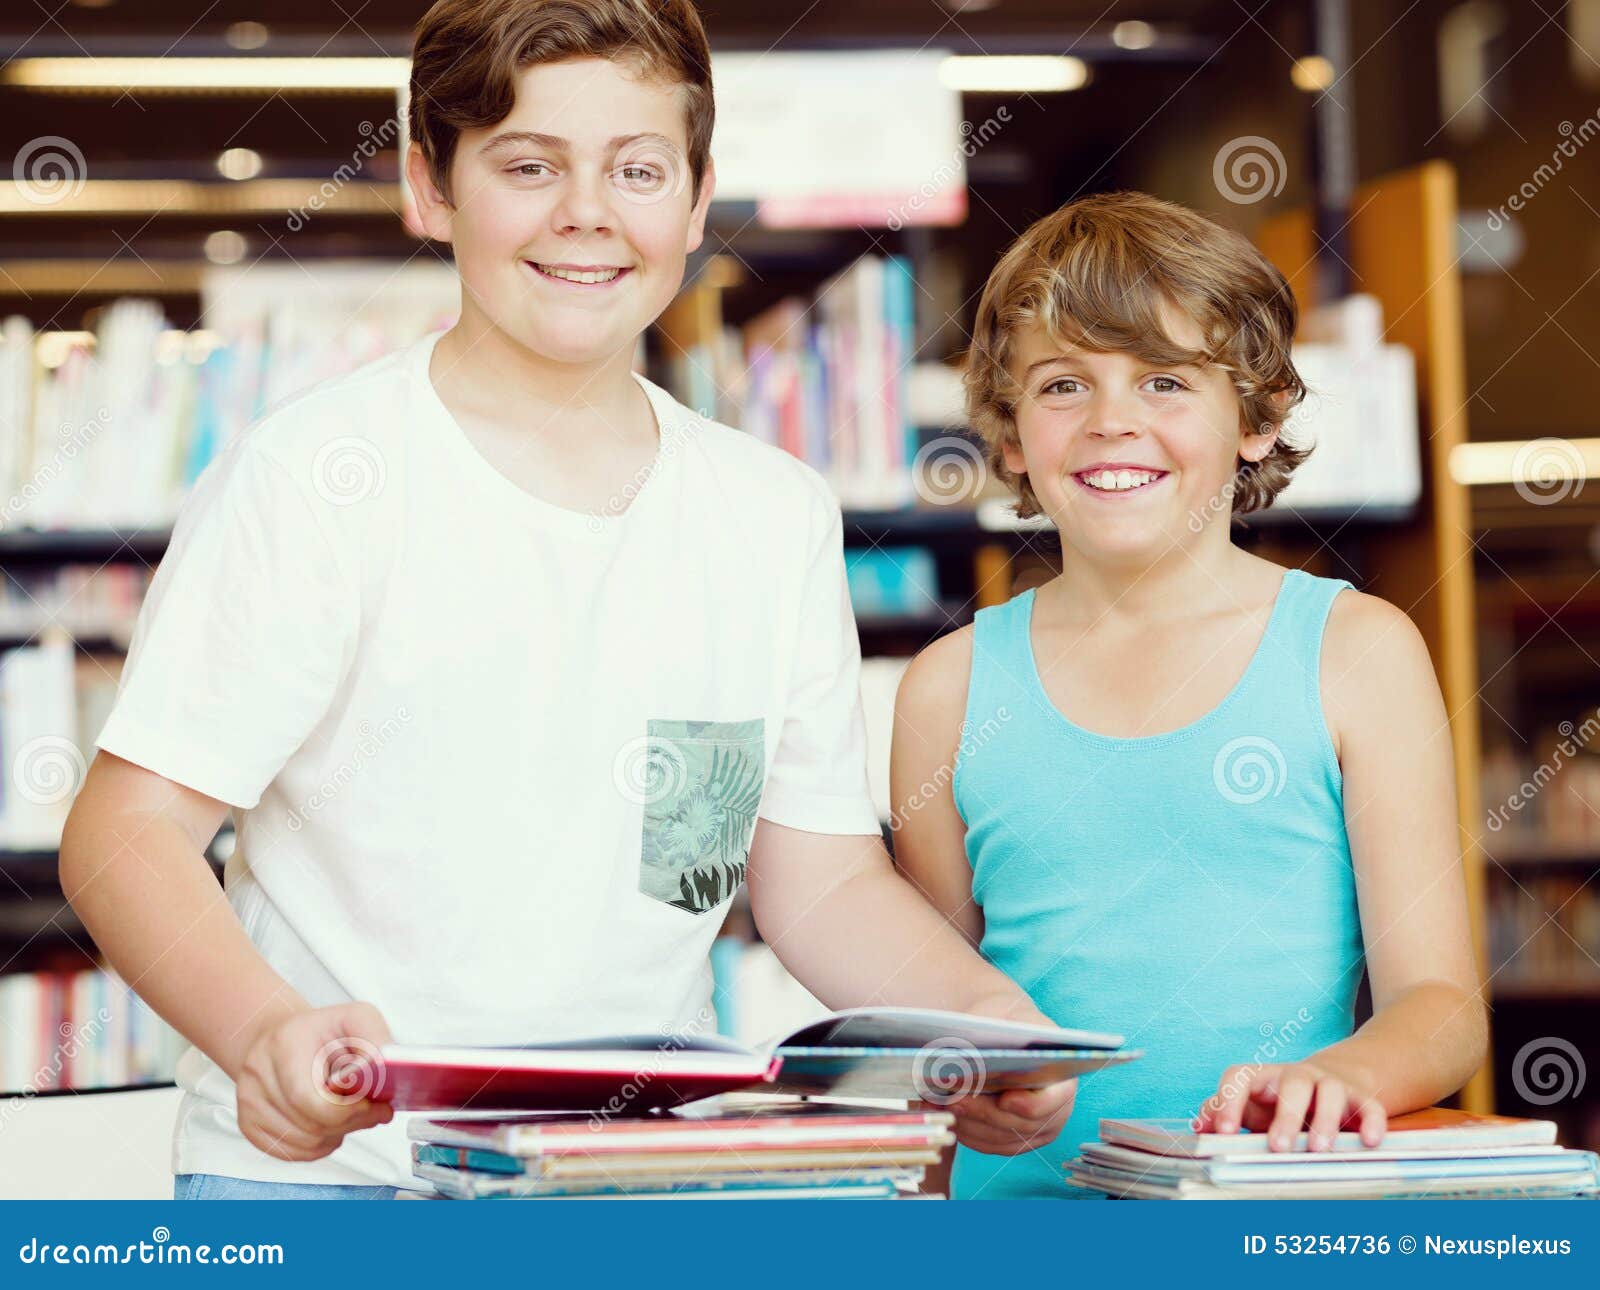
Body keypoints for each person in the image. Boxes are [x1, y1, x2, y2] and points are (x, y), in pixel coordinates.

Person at [60, 0, 1073, 1199]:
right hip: (338, 1186)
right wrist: (259, 1028)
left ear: (697, 199)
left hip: (632, 1180)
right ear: (429, 190)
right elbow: (127, 835)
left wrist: (981, 1017)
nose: (586, 213)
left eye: (636, 169)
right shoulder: (320, 478)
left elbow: (823, 882)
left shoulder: (767, 513)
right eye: (528, 165)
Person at [890, 190, 1487, 1199]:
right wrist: (952, 1078)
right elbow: (931, 1007)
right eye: (1061, 384)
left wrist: (1344, 1074)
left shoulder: (1355, 652)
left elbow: (1440, 1005)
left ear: (1255, 420)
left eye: (1164, 380)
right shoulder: (945, 689)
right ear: (1006, 435)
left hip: (1269, 1222)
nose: (1111, 421)